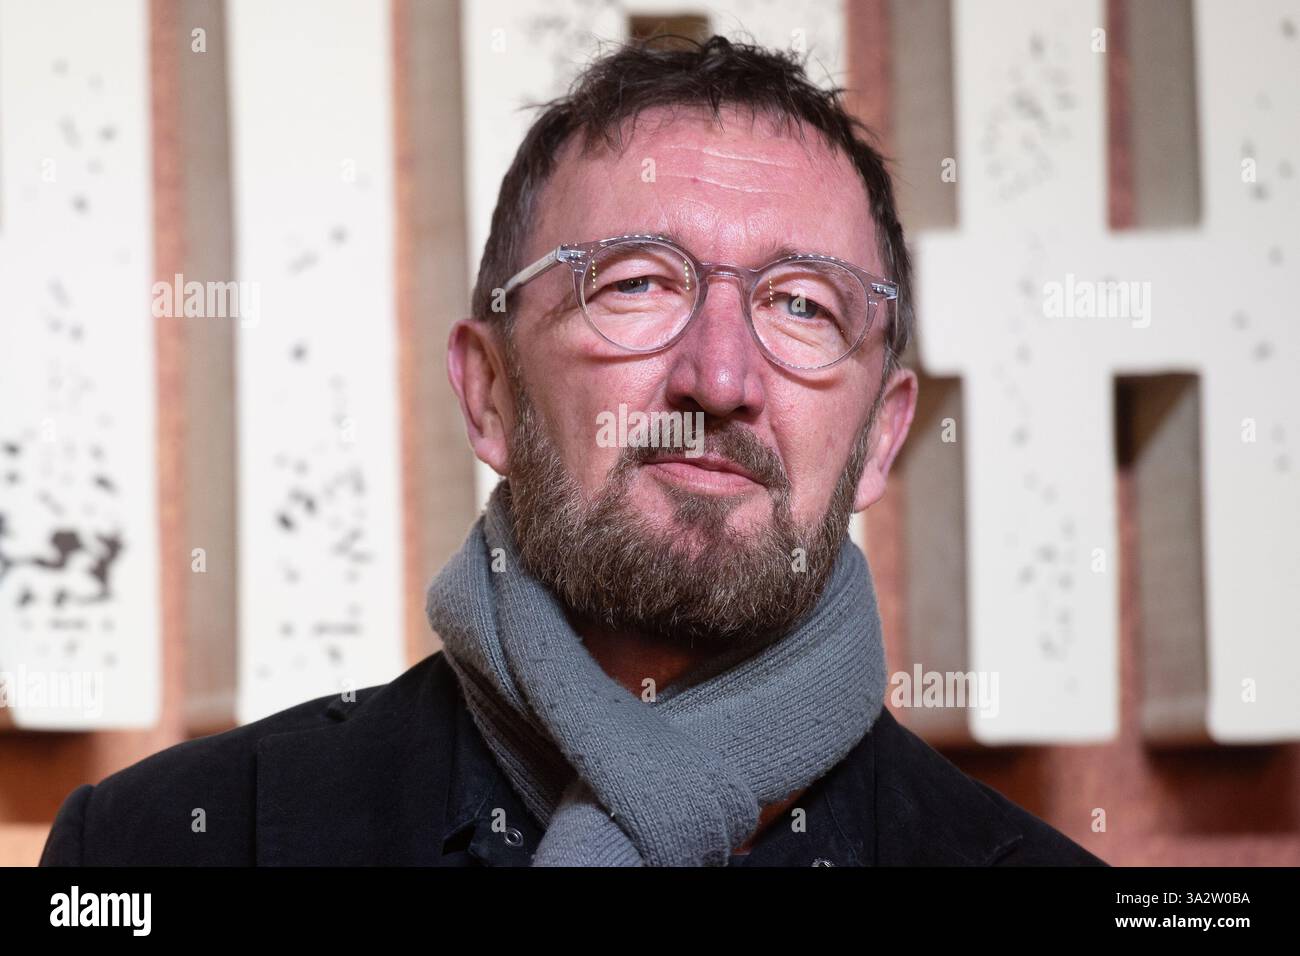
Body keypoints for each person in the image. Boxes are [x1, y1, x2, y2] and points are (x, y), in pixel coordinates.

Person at [40, 35, 1104, 867]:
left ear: (879, 437)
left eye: (801, 305)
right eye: (636, 281)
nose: (719, 378)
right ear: (491, 389)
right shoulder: (171, 845)